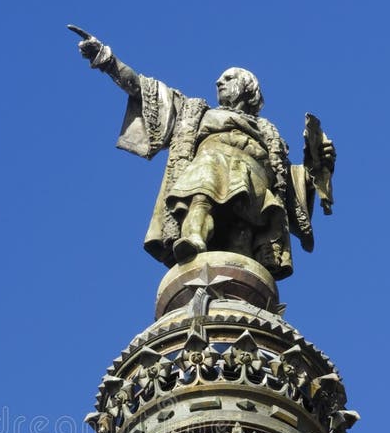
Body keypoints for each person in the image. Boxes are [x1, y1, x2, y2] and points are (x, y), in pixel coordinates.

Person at [70, 26, 335, 279]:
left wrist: (319, 163)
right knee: (204, 187)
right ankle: (193, 237)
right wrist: (107, 60)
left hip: (254, 182)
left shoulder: (269, 133)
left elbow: (290, 187)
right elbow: (144, 89)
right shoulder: (196, 112)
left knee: (242, 236)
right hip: (210, 166)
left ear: (247, 87)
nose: (218, 81)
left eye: (228, 78)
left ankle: (241, 268)